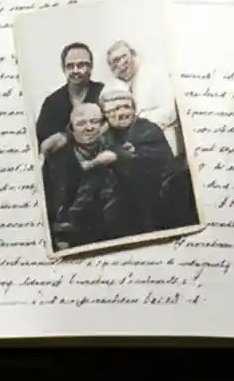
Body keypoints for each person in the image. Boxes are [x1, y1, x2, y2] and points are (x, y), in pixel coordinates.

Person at [95, 86, 200, 234]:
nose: (123, 113)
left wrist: (118, 156)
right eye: (116, 109)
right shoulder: (105, 136)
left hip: (156, 195)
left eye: (127, 107)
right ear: (106, 114)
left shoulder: (147, 128)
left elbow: (152, 162)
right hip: (120, 199)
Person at [42, 103, 118, 251]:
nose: (89, 128)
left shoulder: (114, 150)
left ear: (104, 125)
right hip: (69, 236)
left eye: (94, 122)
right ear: (72, 128)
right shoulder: (58, 159)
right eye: (81, 123)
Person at [106, 40, 182, 156]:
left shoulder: (154, 74)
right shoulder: (120, 86)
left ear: (133, 55)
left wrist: (135, 121)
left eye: (124, 57)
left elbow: (169, 112)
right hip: (137, 148)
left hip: (163, 144)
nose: (122, 63)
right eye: (115, 62)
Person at [36, 42, 105, 156]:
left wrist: (68, 137)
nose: (76, 70)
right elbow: (41, 144)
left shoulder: (104, 93)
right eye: (70, 66)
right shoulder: (52, 102)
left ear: (91, 67)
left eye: (81, 65)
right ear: (63, 68)